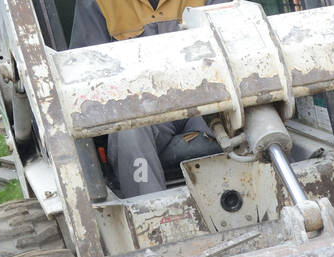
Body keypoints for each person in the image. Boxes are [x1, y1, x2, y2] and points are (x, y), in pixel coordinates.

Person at [70, 0, 226, 197]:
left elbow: (232, 42)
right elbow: (86, 76)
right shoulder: (97, 3)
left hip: (207, 104)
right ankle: (154, 218)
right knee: (129, 133)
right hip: (140, 114)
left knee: (245, 122)